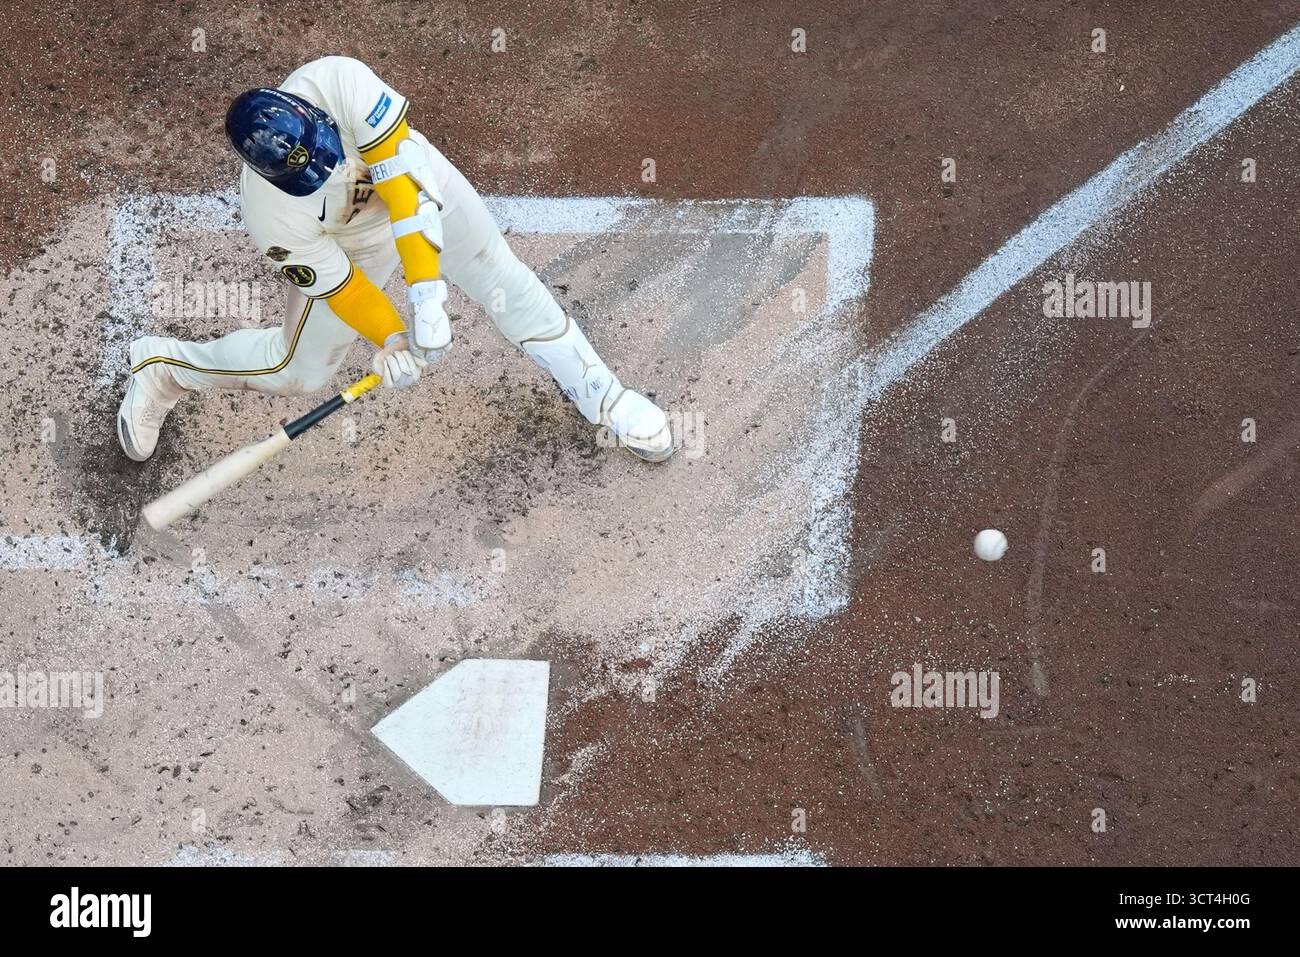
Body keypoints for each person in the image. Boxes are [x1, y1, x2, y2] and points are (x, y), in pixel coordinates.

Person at [117, 55, 673, 464]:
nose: (332, 169)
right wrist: (391, 339)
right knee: (298, 371)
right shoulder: (273, 220)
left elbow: (401, 187)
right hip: (347, 243)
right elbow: (348, 289)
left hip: (410, 190)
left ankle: (602, 395)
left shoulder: (338, 80)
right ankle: (163, 370)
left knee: (497, 272)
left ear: (310, 112)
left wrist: (426, 292)